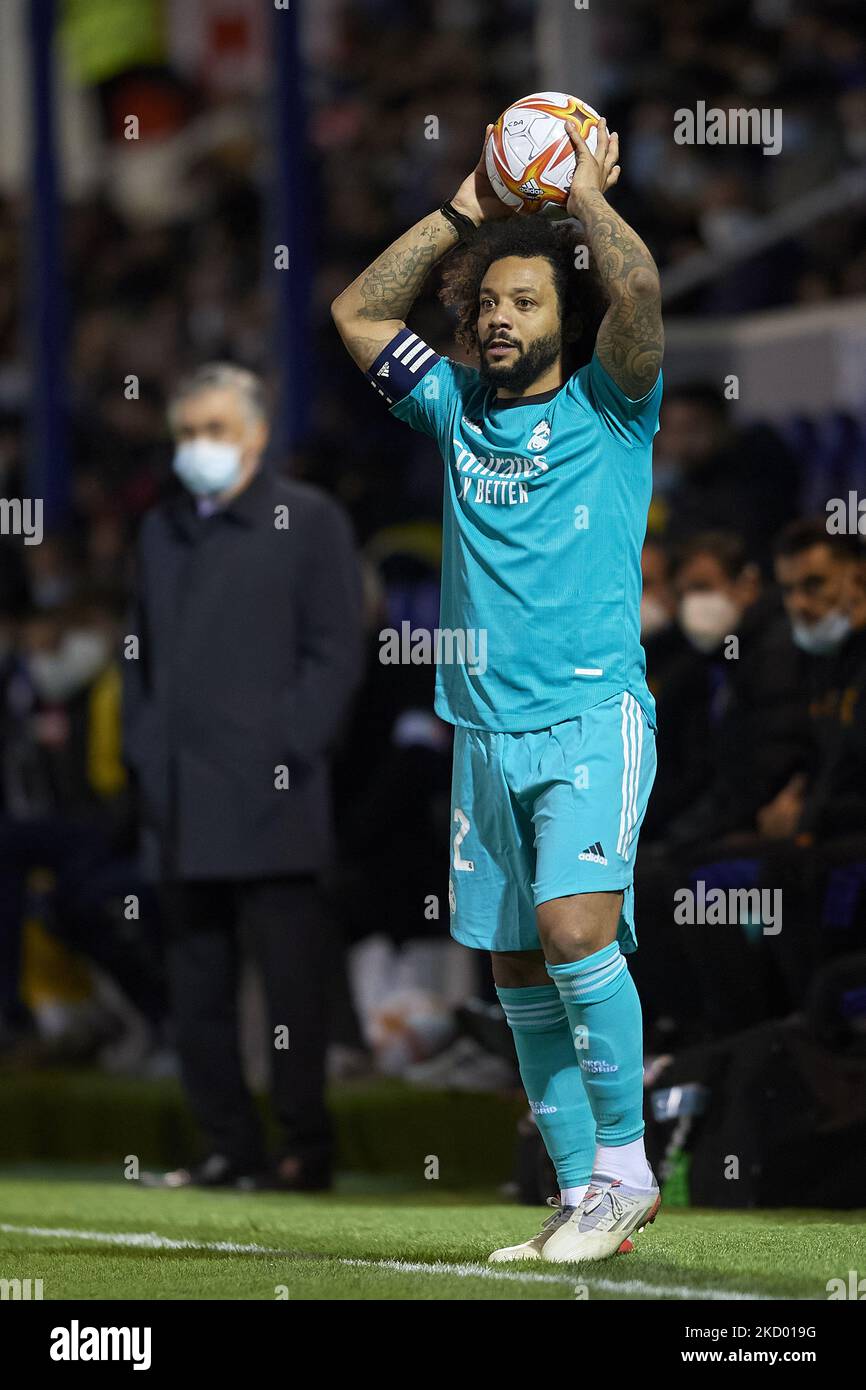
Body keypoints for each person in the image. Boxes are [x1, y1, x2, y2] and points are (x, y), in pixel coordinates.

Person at [333, 117, 663, 1262]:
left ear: (562, 318)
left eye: (522, 302)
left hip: (587, 712)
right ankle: (579, 1196)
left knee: (576, 928)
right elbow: (358, 314)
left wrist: (578, 204)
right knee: (517, 961)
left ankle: (626, 1166)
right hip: (481, 732)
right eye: (486, 304)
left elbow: (638, 292)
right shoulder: (454, 408)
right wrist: (467, 213)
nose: (496, 317)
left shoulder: (611, 407)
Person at [123, 363, 363, 1191]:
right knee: (197, 988)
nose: (200, 449)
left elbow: (337, 651)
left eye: (216, 430)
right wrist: (146, 753)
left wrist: (289, 746)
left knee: (293, 988)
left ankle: (304, 1149)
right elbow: (141, 658)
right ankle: (227, 1144)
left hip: (276, 797)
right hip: (181, 799)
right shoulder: (161, 531)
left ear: (257, 435)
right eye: (187, 433)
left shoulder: (312, 521)